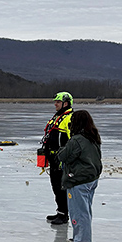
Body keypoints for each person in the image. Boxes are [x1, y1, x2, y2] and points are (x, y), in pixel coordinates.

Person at [57, 110, 102, 242]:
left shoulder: (77, 140)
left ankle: (82, 240)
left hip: (78, 180)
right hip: (91, 178)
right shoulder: (93, 137)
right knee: (86, 210)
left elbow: (63, 156)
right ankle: (80, 236)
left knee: (78, 211)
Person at [40, 92, 73, 225]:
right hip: (53, 157)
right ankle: (60, 211)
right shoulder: (57, 117)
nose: (55, 104)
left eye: (58, 102)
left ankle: (64, 215)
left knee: (61, 187)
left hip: (62, 158)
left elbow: (73, 140)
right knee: (55, 186)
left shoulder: (70, 118)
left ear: (65, 103)